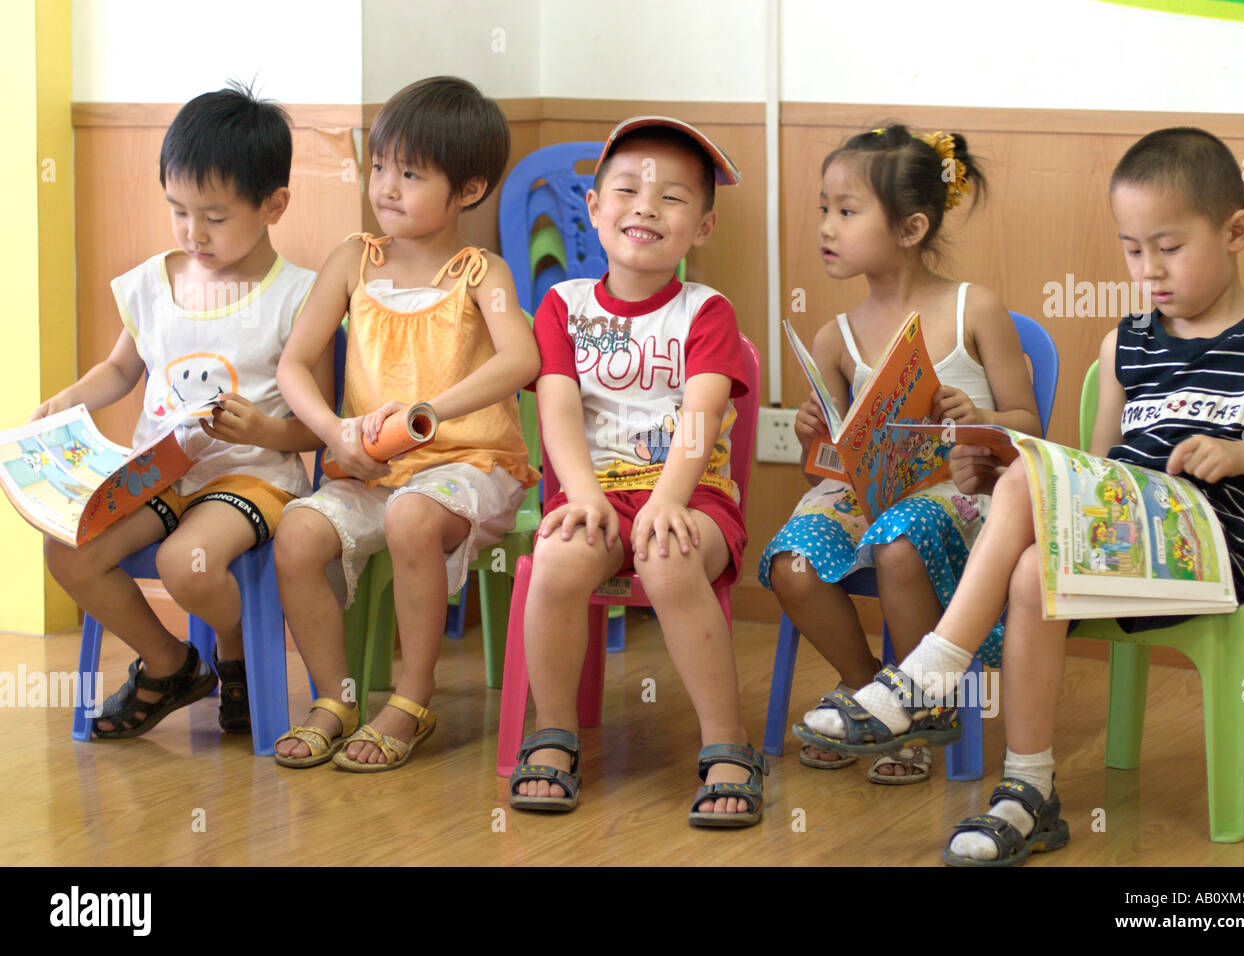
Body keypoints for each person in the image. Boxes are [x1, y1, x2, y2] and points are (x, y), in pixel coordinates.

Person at [802, 127, 1244, 865]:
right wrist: (1003, 474)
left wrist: (1242, 452)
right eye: (1133, 249)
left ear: (1236, 232)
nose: (1148, 270)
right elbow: (1095, 469)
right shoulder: (1125, 342)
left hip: (1217, 552)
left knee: (1040, 502)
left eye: (1169, 247)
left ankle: (931, 672)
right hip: (1126, 541)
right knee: (1037, 562)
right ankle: (1029, 792)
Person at [38, 84, 329, 739]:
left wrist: (263, 428)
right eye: (178, 210)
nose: (193, 233)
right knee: (68, 553)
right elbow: (120, 370)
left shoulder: (299, 298)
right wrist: (63, 402)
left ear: (273, 205)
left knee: (185, 564)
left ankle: (239, 656)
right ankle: (173, 666)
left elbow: (318, 427)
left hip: (251, 477)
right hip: (157, 474)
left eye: (215, 216)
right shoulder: (153, 283)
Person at [272, 76, 539, 771]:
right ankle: (336, 696)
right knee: (297, 533)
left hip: (471, 468)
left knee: (414, 517)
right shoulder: (352, 259)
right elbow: (295, 366)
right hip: (371, 468)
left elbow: (524, 357)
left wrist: (430, 412)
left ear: (469, 190)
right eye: (381, 166)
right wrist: (334, 433)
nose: (387, 186)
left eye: (411, 173)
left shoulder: (483, 272)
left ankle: (413, 700)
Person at [761, 125, 1039, 783]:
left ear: (910, 229)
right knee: (793, 561)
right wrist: (811, 437)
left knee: (900, 538)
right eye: (824, 208)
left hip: (959, 496)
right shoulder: (836, 338)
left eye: (847, 211)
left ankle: (920, 699)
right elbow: (823, 469)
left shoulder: (976, 308)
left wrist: (983, 418)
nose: (827, 226)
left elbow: (1030, 425)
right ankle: (873, 697)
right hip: (869, 492)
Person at [510, 117, 761, 826]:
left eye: (673, 198)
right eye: (627, 189)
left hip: (694, 497)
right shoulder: (562, 308)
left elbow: (702, 415)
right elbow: (557, 412)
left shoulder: (706, 312)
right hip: (597, 496)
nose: (646, 206)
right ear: (595, 209)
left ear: (703, 227)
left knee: (669, 555)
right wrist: (581, 494)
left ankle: (726, 744)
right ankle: (554, 733)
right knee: (556, 558)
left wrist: (671, 500)